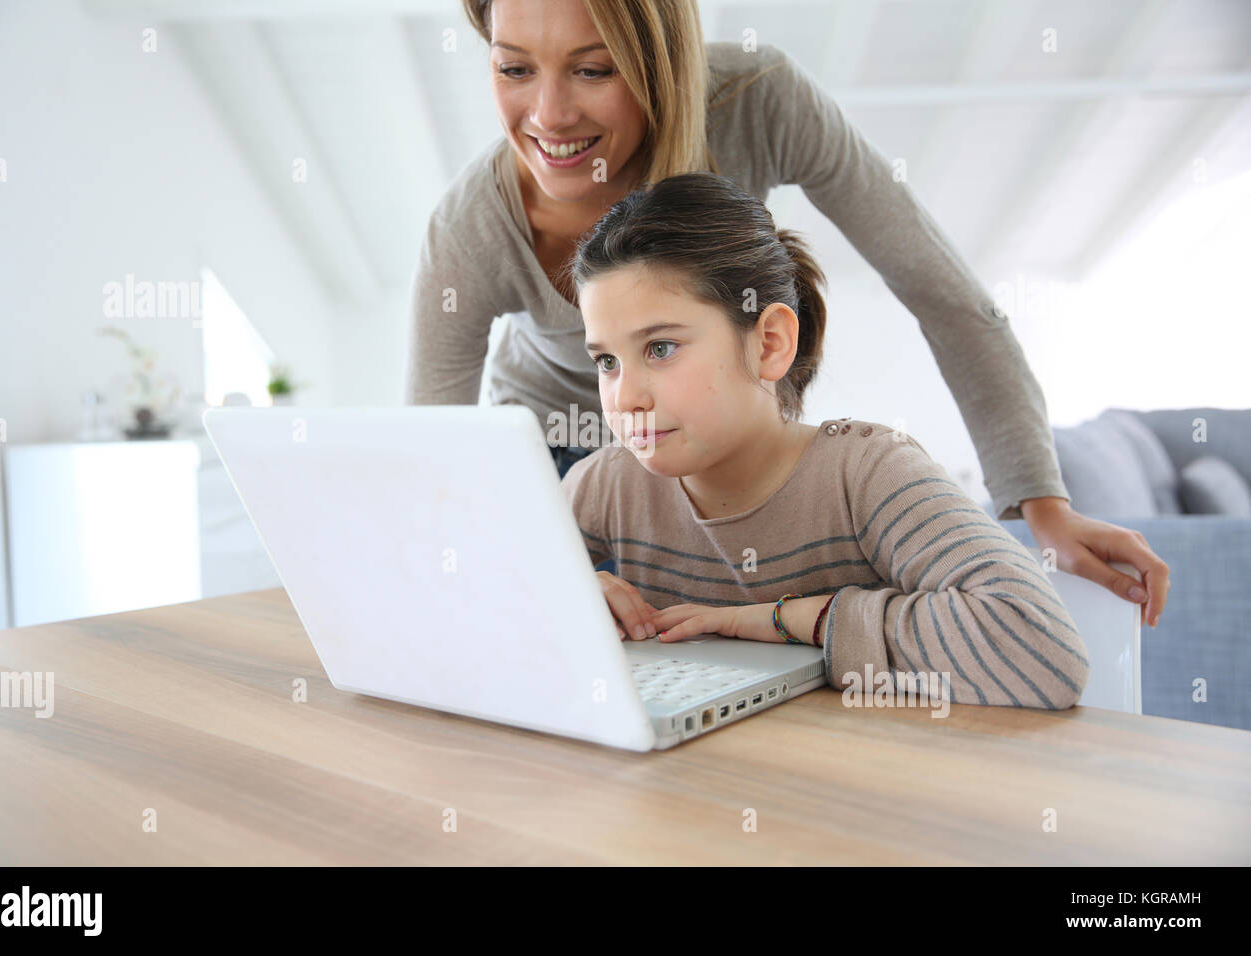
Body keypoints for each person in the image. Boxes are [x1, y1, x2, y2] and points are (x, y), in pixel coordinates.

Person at [403, 0, 1168, 626]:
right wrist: (537, 566)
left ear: (661, 63)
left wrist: (1042, 504)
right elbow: (431, 463)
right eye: (512, 68)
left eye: (594, 69)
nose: (549, 114)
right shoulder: (471, 226)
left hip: (719, 435)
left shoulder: (756, 100)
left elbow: (938, 287)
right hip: (557, 459)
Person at [561, 171, 1090, 709]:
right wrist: (559, 599)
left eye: (661, 349)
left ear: (770, 342)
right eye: (606, 360)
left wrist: (790, 621)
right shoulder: (606, 484)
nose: (624, 399)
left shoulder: (867, 474)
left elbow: (1043, 650)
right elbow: (480, 601)